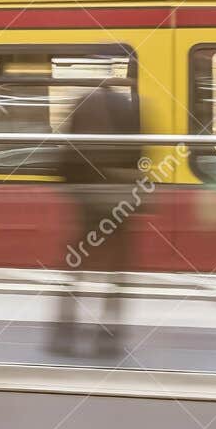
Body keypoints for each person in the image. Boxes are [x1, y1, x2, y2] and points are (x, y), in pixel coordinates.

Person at [51, 82, 144, 357]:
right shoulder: (132, 108)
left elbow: (66, 156)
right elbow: (140, 156)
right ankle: (109, 334)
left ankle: (64, 332)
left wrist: (71, 188)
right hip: (120, 199)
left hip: (88, 199)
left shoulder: (82, 104)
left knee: (76, 264)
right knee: (117, 268)